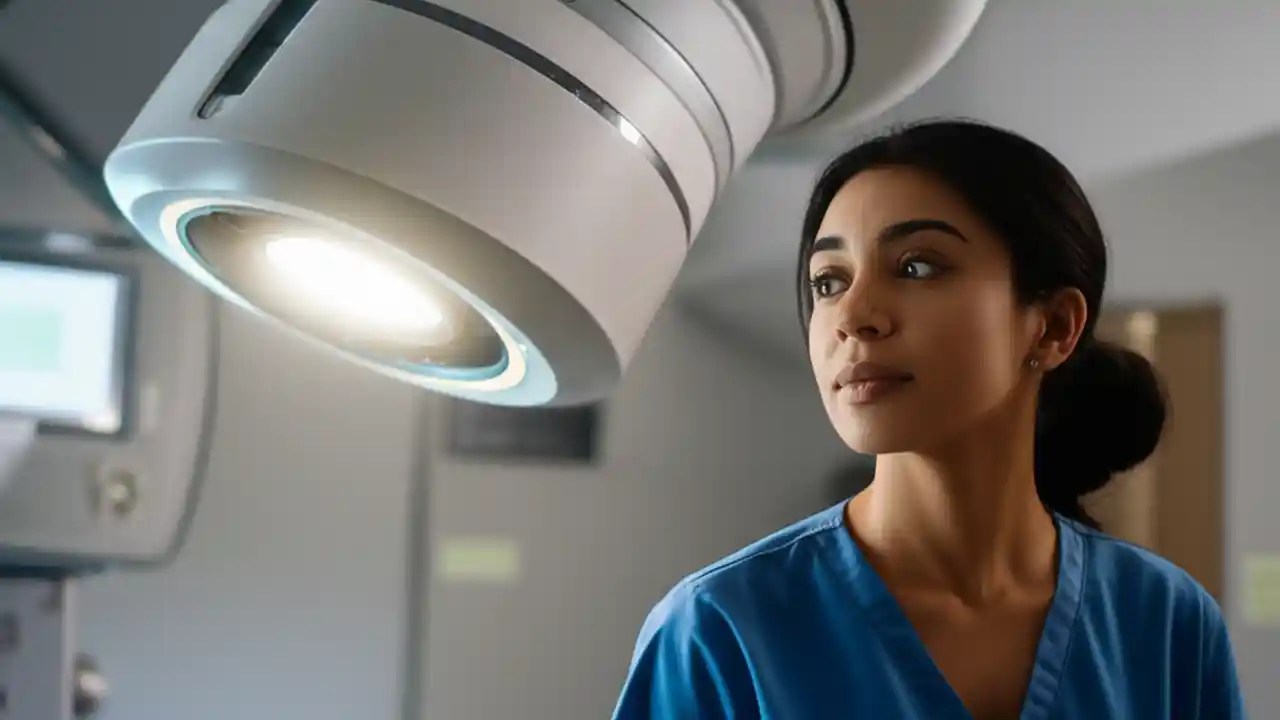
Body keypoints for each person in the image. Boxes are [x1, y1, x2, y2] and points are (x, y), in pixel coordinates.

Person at [610, 119, 1246, 719]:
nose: (853, 316)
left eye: (916, 267)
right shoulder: (720, 630)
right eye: (828, 281)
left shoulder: (1166, 622)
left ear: (1053, 326)